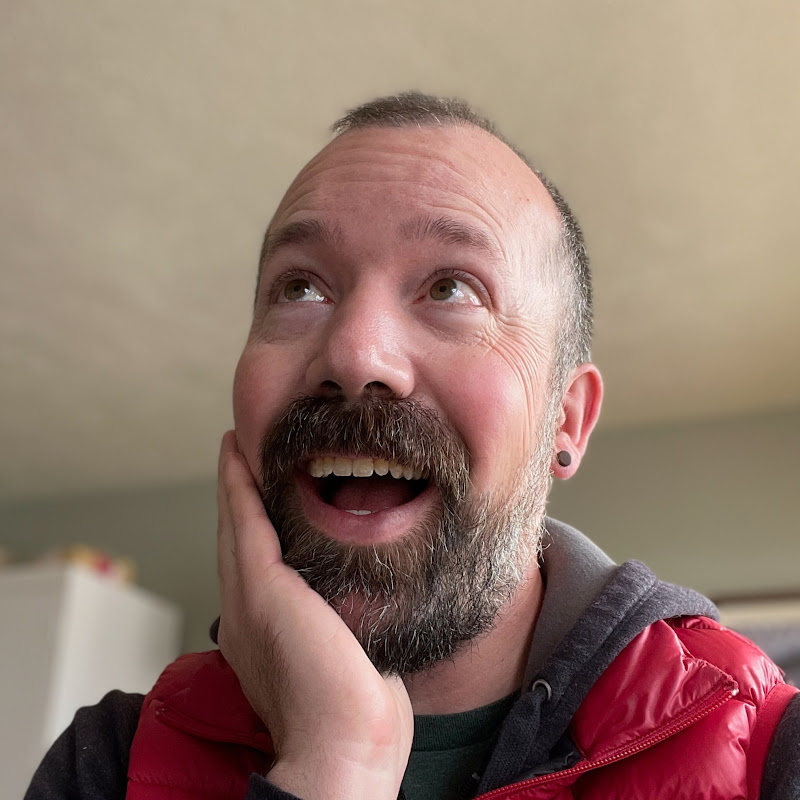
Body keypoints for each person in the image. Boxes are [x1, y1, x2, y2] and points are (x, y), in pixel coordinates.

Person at [26, 92, 800, 800]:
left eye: (452, 288)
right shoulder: (109, 763)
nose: (353, 354)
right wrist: (335, 765)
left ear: (568, 419)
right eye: (301, 287)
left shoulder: (773, 755)